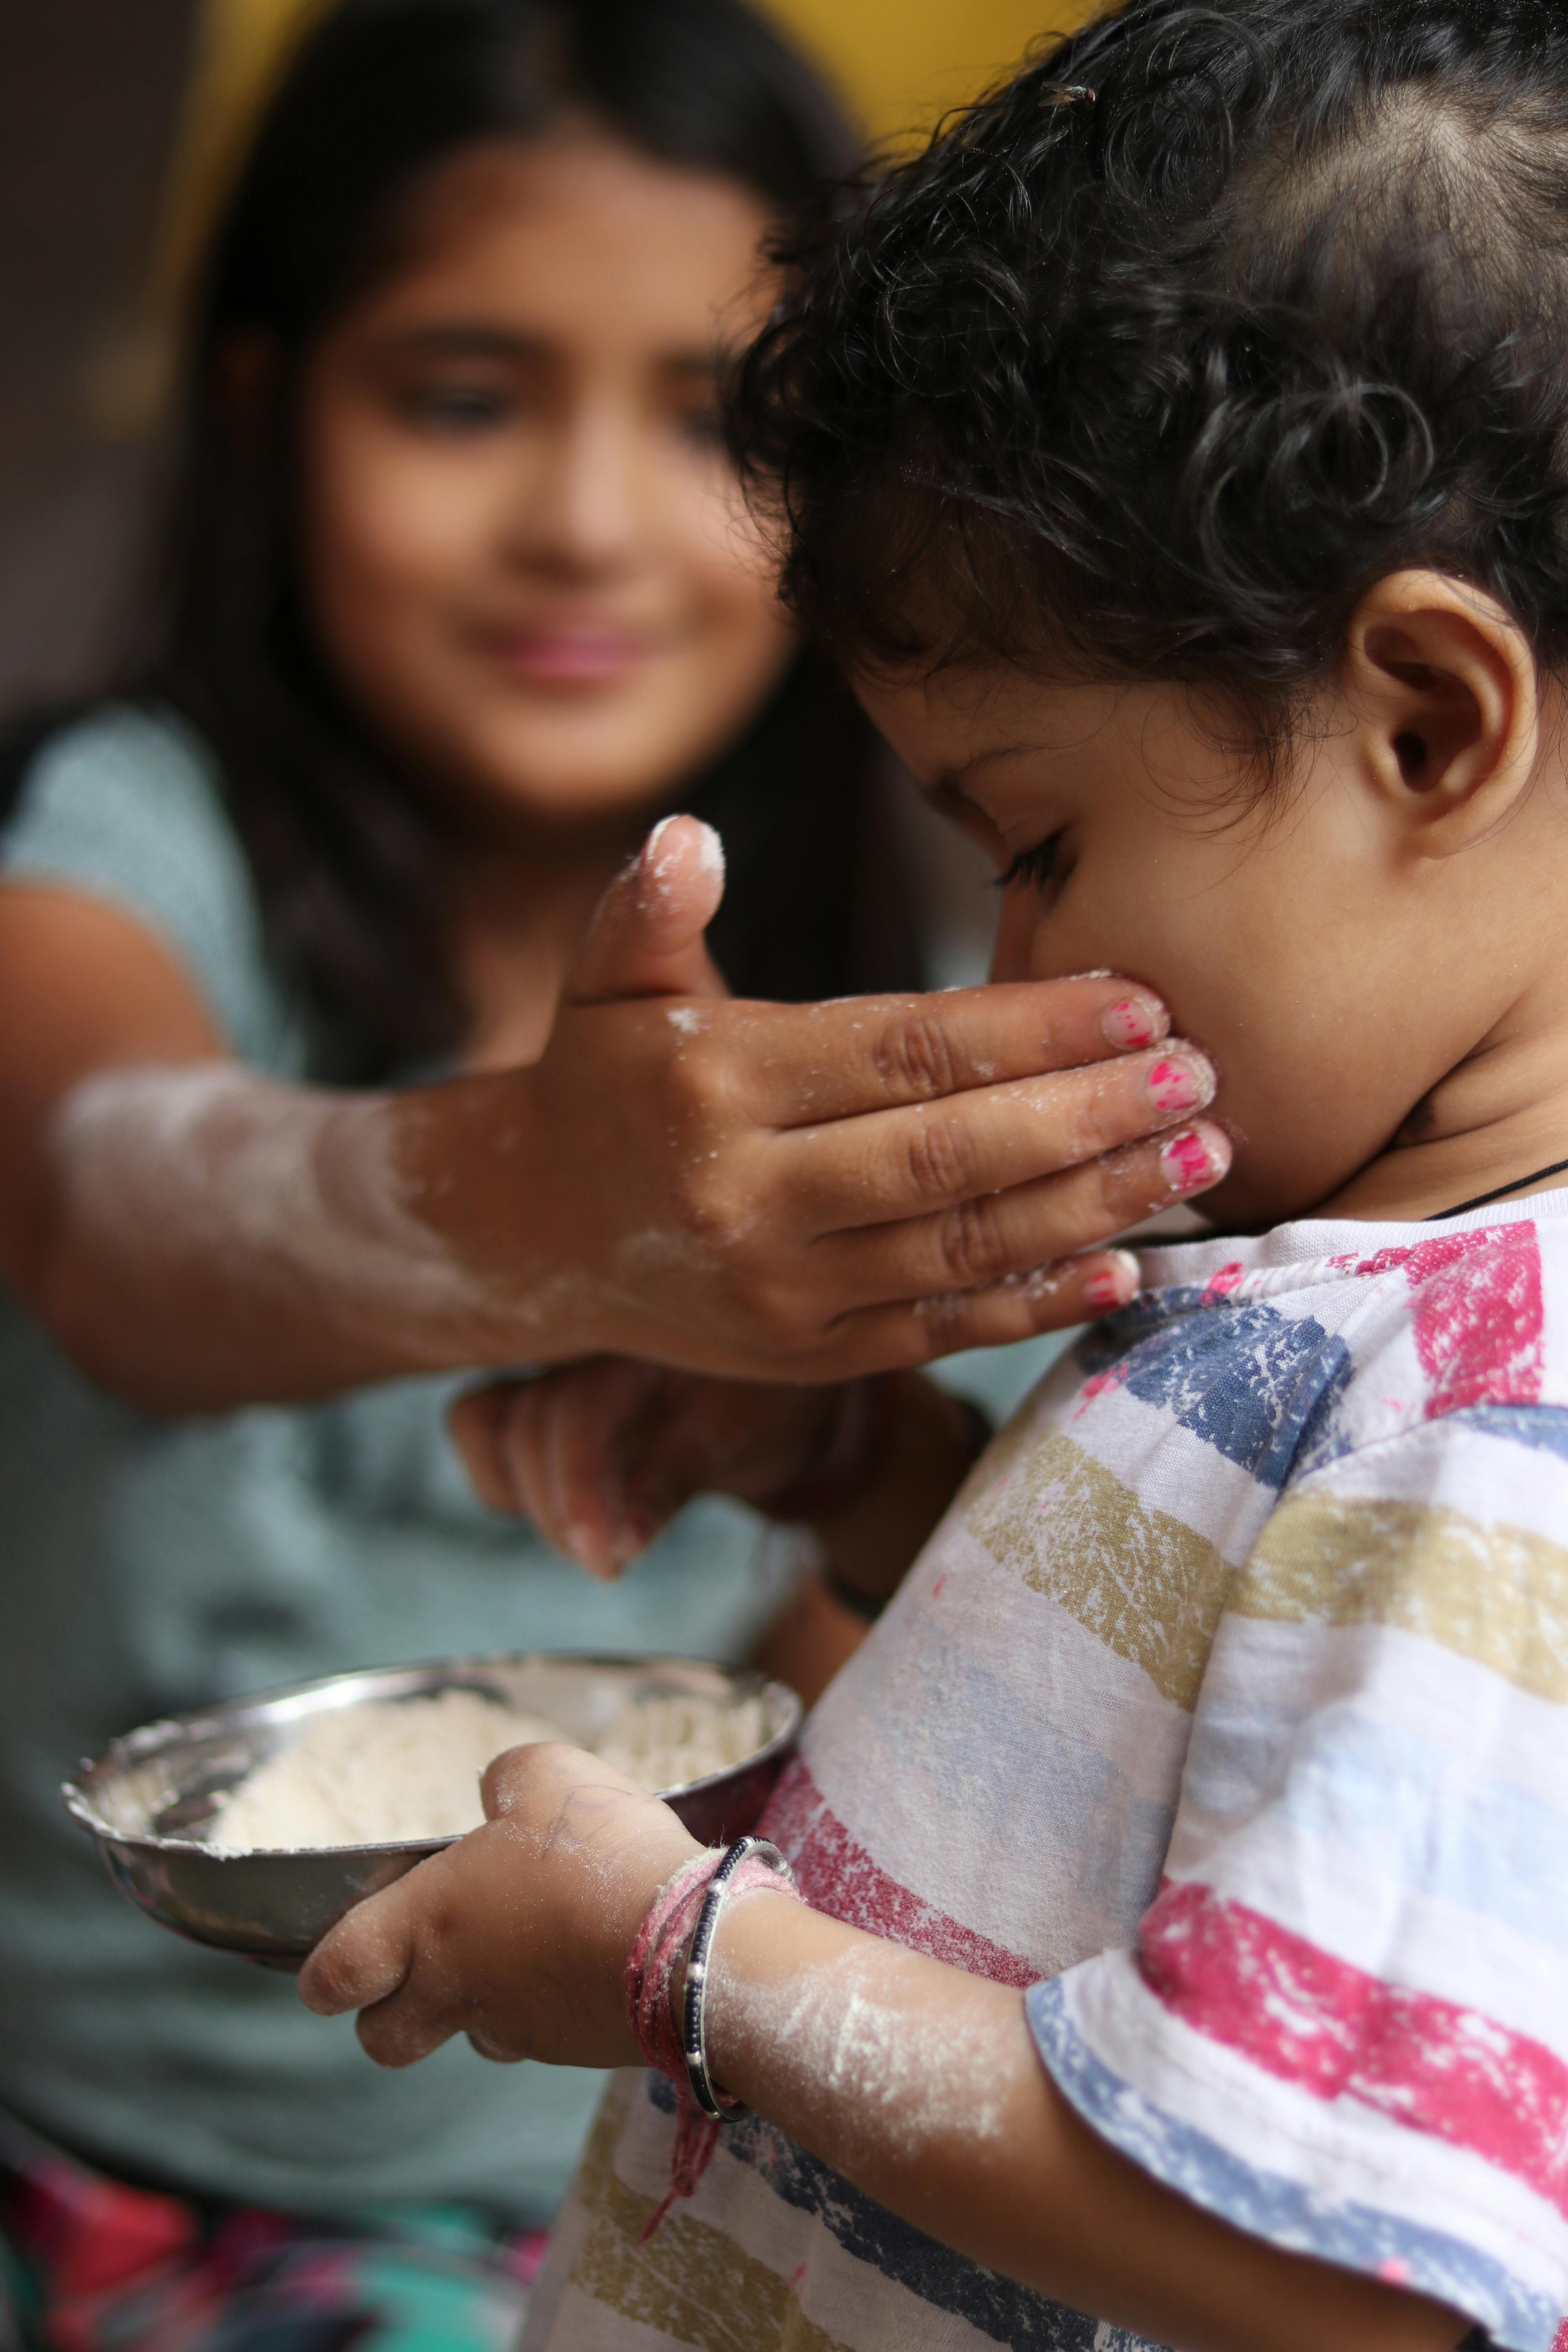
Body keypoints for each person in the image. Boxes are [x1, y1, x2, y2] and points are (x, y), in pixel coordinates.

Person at [302, 4, 1568, 2348]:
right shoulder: (1367, 1294)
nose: (1015, 959)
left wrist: (683, 1970)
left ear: (1428, 719)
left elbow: (1329, 2255)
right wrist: (861, 1473)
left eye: (1041, 843)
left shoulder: (1502, 1415)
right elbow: (1178, 1721)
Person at [0, 0, 1225, 2342]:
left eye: (703, 419)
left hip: (648, 2143)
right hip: (111, 2153)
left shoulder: (965, 967)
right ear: (265, 408)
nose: (581, 515)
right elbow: (107, 1212)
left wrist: (850, 1476)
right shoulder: (120, 848)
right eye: (463, 397)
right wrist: (529, 1213)